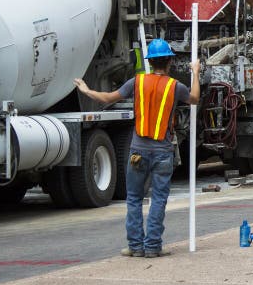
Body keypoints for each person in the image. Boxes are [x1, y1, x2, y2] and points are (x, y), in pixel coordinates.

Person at [73, 38, 200, 258]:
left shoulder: (136, 82)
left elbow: (106, 98)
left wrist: (86, 90)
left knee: (133, 198)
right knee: (159, 199)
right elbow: (195, 98)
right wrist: (196, 72)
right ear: (169, 61)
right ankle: (152, 247)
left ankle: (135, 246)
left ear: (150, 63)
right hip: (162, 152)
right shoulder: (174, 86)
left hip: (138, 151)